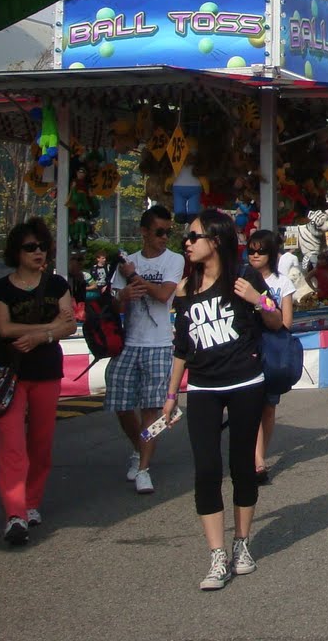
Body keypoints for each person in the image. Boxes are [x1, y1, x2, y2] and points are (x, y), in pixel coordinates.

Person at [162, 209, 281, 590]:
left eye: (194, 236)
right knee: (206, 471)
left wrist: (258, 300)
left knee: (242, 467)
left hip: (246, 382)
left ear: (215, 241)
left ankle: (241, 544)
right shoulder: (183, 290)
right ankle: (217, 557)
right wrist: (170, 395)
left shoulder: (243, 278)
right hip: (203, 387)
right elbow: (182, 346)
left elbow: (277, 321)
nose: (187, 242)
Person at [0, 219, 76, 544]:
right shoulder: (2, 288)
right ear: (16, 252)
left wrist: (43, 337)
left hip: (47, 372)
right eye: (30, 247)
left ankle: (32, 501)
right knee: (12, 445)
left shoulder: (56, 285)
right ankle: (15, 513)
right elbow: (5, 329)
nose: (38, 252)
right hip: (10, 375)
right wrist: (48, 328)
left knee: (40, 443)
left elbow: (68, 326)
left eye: (42, 246)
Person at [107, 204, 185, 495]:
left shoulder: (174, 260)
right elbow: (115, 302)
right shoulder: (129, 262)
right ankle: (139, 448)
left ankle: (144, 469)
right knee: (121, 402)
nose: (164, 237)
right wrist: (125, 293)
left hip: (160, 342)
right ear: (144, 232)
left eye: (168, 232)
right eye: (159, 232)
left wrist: (134, 278)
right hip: (129, 342)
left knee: (152, 410)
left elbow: (165, 294)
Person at [246, 229, 295, 483]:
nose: (254, 255)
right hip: (247, 350)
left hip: (272, 348)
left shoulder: (282, 282)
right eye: (250, 250)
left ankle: (259, 454)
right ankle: (257, 461)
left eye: (260, 251)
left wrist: (262, 304)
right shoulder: (242, 278)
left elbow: (286, 322)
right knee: (251, 405)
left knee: (268, 407)